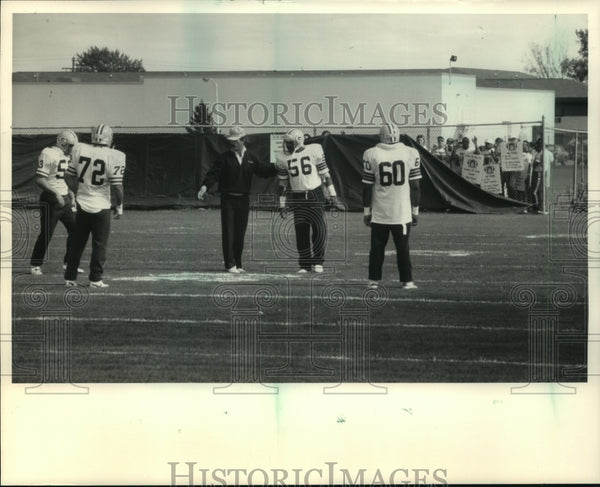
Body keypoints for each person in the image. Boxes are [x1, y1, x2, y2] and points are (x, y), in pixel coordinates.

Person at [198, 127, 277, 273]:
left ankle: (238, 264)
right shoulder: (224, 157)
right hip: (228, 200)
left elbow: (263, 171)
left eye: (235, 141)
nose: (232, 144)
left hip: (243, 201)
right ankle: (230, 264)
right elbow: (213, 174)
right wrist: (205, 186)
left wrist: (278, 166)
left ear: (243, 140)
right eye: (230, 141)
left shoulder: (251, 158)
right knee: (228, 232)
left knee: (240, 233)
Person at [63, 124, 125, 287]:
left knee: (77, 243)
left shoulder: (80, 148)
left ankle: (69, 278)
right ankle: (95, 279)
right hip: (101, 205)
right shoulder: (116, 155)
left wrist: (78, 191)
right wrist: (119, 206)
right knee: (99, 245)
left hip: (82, 204)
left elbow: (68, 177)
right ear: (109, 138)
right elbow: (117, 186)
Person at [362, 123, 421, 289]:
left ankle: (373, 280)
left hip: (380, 211)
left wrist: (367, 211)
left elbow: (367, 186)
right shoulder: (411, 152)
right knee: (403, 248)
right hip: (402, 212)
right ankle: (407, 281)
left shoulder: (371, 153)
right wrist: (415, 211)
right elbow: (415, 186)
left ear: (381, 136)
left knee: (377, 248)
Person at [277, 128, 342, 273]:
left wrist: (333, 195)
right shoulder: (282, 157)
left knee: (319, 229)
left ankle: (318, 261)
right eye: (286, 142)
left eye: (289, 142)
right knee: (301, 231)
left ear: (298, 141)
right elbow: (283, 184)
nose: (286, 145)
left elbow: (325, 175)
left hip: (315, 194)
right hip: (297, 196)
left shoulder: (314, 150)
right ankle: (305, 264)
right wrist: (282, 204)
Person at [30, 129, 84, 276]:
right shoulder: (48, 153)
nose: (72, 148)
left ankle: (69, 264)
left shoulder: (66, 156)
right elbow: (40, 179)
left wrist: (70, 193)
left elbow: (60, 179)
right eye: (71, 145)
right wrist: (56, 194)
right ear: (62, 141)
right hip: (51, 199)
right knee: (47, 233)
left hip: (65, 199)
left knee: (76, 231)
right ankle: (35, 264)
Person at [530, 137, 554, 214]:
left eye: (537, 144)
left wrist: (534, 165)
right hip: (547, 173)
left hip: (541, 173)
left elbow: (535, 165)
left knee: (539, 191)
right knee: (544, 190)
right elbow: (552, 161)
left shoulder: (540, 154)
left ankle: (542, 207)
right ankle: (545, 207)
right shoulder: (549, 153)